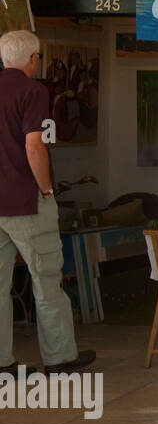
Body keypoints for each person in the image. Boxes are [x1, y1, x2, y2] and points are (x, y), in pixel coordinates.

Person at [0, 29, 95, 377]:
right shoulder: (32, 90)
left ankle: (2, 364)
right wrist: (47, 190)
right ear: (31, 59)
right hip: (26, 201)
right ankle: (59, 358)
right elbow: (34, 146)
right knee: (46, 280)